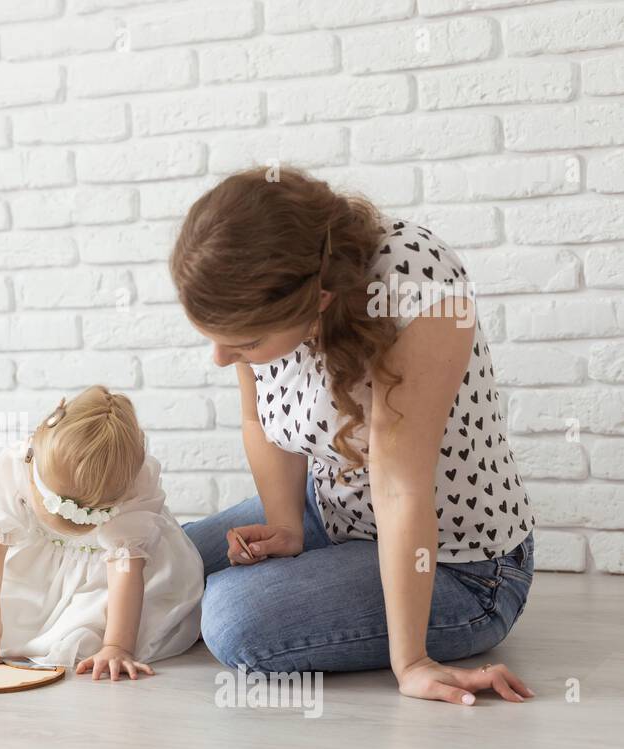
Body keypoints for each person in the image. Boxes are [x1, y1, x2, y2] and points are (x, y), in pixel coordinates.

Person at [175, 166, 536, 706]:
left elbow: (400, 487)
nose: (222, 358)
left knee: (231, 619)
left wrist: (411, 663)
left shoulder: (414, 282)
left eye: (244, 343)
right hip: (332, 510)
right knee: (163, 558)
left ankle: (427, 621)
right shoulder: (252, 294)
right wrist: (285, 524)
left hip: (462, 566)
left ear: (316, 301)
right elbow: (259, 422)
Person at [0, 386, 205, 681]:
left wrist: (116, 646)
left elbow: (124, 566)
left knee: (91, 630)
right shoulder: (18, 464)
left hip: (110, 575)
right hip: (40, 569)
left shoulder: (135, 486)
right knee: (2, 611)